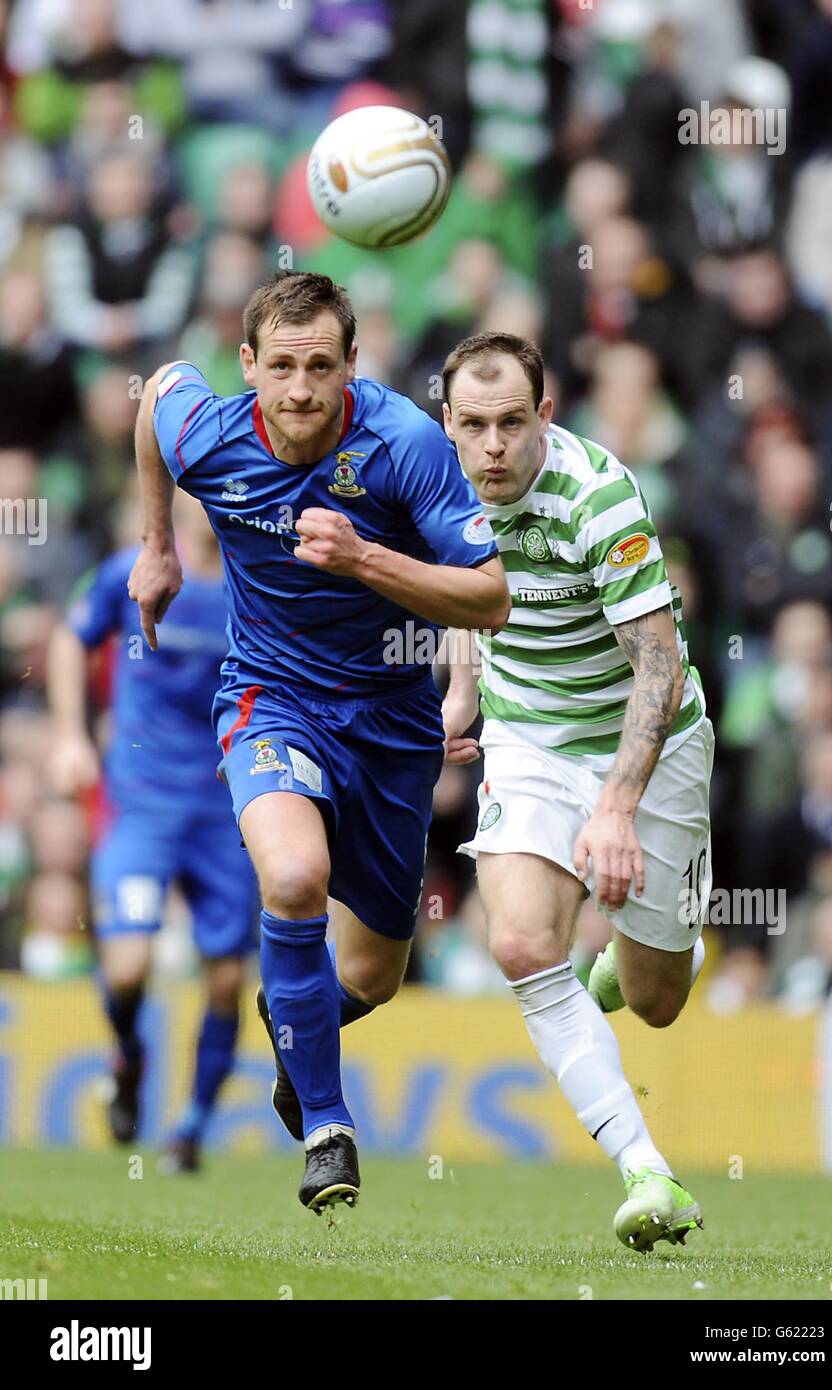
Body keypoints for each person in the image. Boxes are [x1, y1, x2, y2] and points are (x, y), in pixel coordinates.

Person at [126, 271, 509, 1215]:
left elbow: (489, 595)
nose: (301, 389)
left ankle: (297, 1023)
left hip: (391, 720)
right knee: (292, 878)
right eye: (283, 366)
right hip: (270, 697)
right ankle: (330, 1132)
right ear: (248, 365)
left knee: (374, 974)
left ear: (350, 367)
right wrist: (159, 545)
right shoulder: (207, 432)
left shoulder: (403, 445)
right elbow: (157, 393)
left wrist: (364, 558)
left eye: (322, 367)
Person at [441, 331, 715, 1252]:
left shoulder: (598, 496)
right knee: (519, 942)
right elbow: (458, 593)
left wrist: (614, 809)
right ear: (448, 424)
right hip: (527, 740)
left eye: (511, 423)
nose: (492, 447)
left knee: (655, 1001)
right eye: (473, 425)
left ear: (544, 417)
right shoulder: (436, 483)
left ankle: (626, 966)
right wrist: (458, 691)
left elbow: (660, 668)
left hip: (651, 742)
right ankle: (647, 1173)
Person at [46, 492, 260, 1172]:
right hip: (139, 804)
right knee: (129, 965)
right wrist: (69, 736)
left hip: (228, 807)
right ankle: (130, 1056)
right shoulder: (128, 572)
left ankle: (190, 1129)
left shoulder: (257, 584)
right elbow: (66, 638)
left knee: (227, 980)